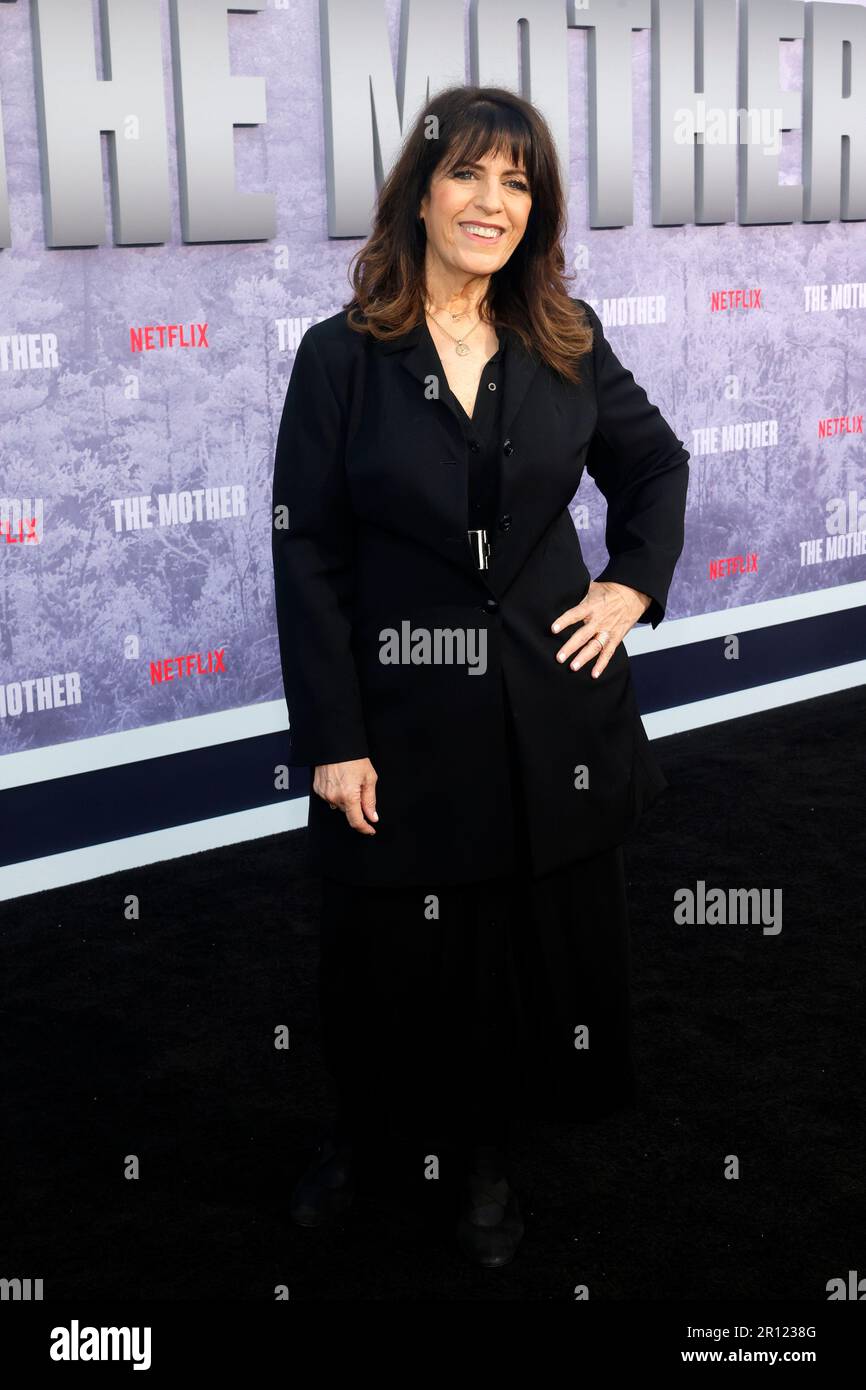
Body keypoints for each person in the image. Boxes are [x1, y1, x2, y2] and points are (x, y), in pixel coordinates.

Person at [271, 85, 689, 1268]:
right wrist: (333, 737)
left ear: (535, 208)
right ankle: (361, 1135)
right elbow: (305, 550)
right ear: (420, 193)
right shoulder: (341, 356)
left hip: (545, 711)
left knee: (511, 957)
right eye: (467, 174)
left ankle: (487, 1164)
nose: (490, 202)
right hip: (397, 719)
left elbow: (653, 464)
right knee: (380, 954)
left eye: (515, 182)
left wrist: (631, 586)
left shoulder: (563, 336)